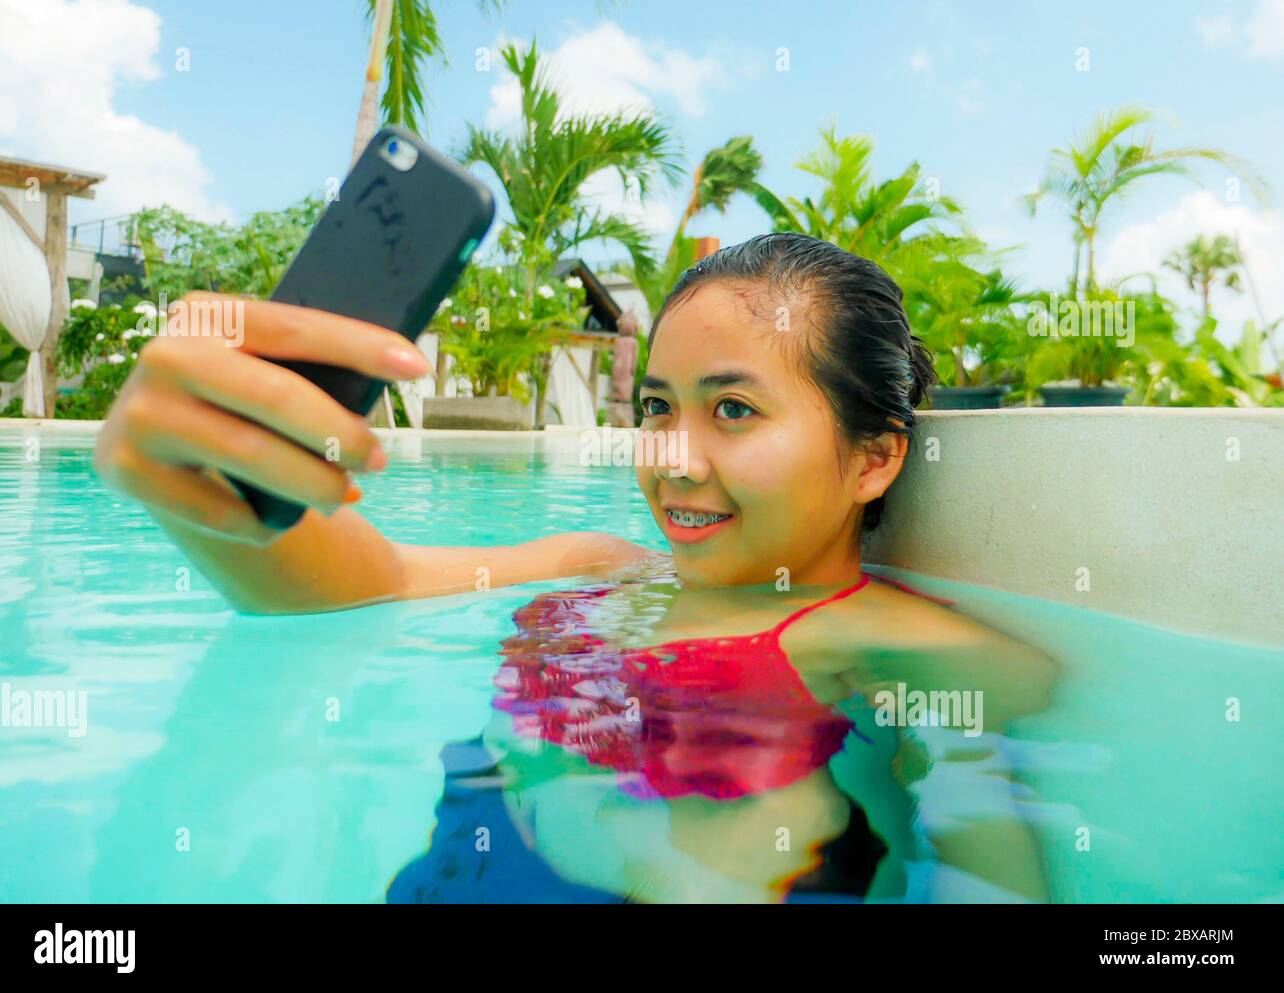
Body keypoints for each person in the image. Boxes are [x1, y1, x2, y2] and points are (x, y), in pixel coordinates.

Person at [95, 232, 1057, 901]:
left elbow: (988, 865)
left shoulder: (912, 645)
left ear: (873, 457)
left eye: (732, 410)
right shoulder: (596, 567)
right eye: (656, 407)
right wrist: (189, 479)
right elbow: (365, 585)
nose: (672, 458)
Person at [606, 308, 640, 428]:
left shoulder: (619, 342)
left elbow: (616, 359)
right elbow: (633, 366)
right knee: (623, 394)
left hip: (618, 374)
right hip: (625, 377)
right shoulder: (633, 342)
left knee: (618, 394)